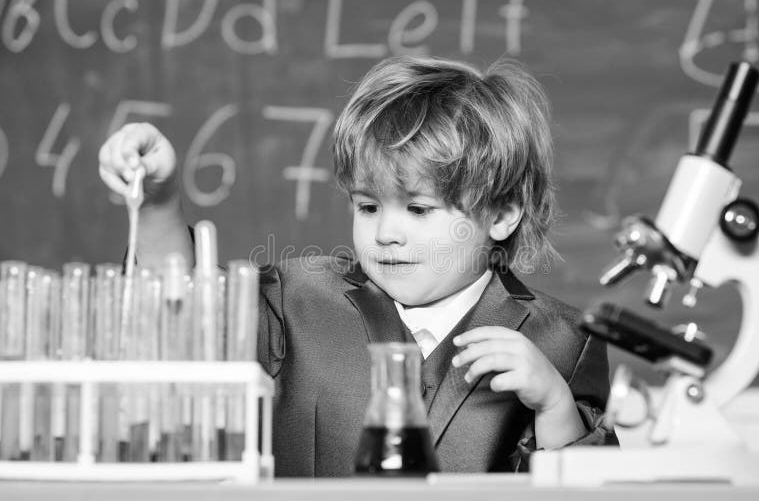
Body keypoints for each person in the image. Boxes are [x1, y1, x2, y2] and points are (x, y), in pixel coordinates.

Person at [98, 55, 617, 477]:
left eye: (418, 209)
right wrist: (160, 202)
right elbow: (183, 310)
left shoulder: (562, 342)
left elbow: (590, 490)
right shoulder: (293, 300)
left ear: (501, 214)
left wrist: (554, 408)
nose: (385, 232)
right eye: (367, 206)